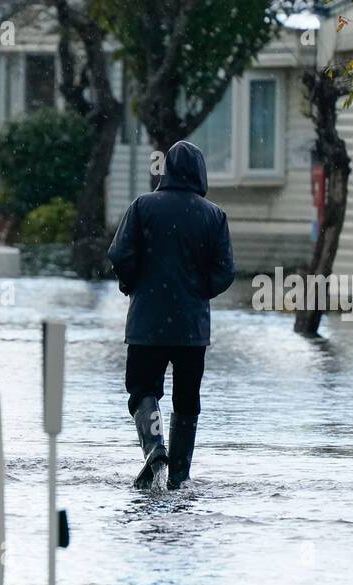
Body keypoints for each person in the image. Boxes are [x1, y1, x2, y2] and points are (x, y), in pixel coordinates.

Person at [107, 140, 235, 490]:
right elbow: (225, 271)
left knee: (142, 389)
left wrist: (133, 285)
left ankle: (155, 449)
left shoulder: (142, 207)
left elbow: (119, 254)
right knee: (187, 399)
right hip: (192, 329)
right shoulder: (214, 215)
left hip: (146, 323)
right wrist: (197, 292)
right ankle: (179, 475)